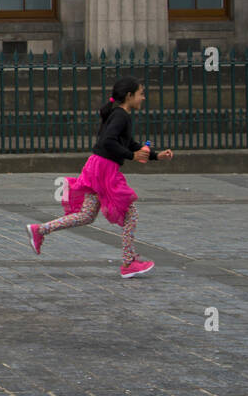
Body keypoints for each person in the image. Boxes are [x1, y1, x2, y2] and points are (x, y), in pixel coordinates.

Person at [26, 77, 173, 277]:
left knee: (86, 215)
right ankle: (129, 262)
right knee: (131, 213)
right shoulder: (120, 115)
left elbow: (129, 143)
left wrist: (156, 155)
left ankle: (40, 230)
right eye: (141, 94)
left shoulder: (120, 114)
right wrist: (131, 156)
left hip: (97, 166)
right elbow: (108, 141)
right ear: (129, 96)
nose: (143, 98)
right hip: (105, 170)